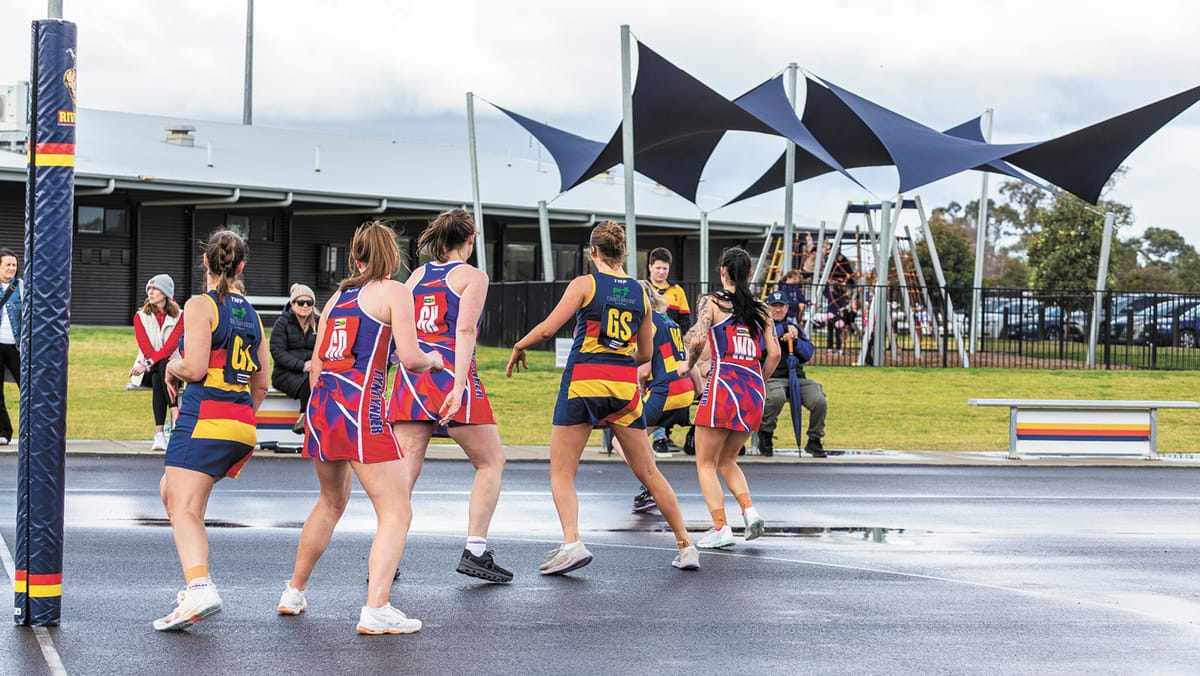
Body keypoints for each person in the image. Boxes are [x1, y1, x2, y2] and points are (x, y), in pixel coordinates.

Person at [277, 220, 442, 636]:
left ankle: (293, 591)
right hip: (359, 407)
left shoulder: (336, 298)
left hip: (324, 405)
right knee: (397, 511)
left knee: (330, 502)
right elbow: (409, 357)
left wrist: (320, 406)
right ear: (393, 256)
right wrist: (434, 360)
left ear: (356, 256)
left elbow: (316, 363)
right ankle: (376, 607)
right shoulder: (394, 293)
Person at [506, 221, 699, 573]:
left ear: (592, 252)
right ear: (622, 252)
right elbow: (644, 352)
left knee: (562, 471)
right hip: (624, 387)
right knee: (650, 473)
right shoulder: (641, 292)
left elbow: (550, 328)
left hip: (585, 383)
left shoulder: (585, 284)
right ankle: (686, 545)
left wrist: (520, 344)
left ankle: (572, 542)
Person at [154, 231, 270, 631]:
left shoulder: (200, 305)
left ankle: (199, 585)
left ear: (205, 263)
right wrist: (242, 415)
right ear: (240, 268)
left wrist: (171, 364)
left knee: (183, 508)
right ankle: (193, 586)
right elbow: (262, 382)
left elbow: (196, 367)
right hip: (240, 424)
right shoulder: (252, 314)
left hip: (204, 417)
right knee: (173, 491)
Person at [390, 208, 512, 583]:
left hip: (412, 376)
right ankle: (475, 550)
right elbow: (464, 330)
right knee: (491, 462)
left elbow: (399, 328)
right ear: (470, 240)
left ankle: (386, 556)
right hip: (447, 372)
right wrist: (459, 386)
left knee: (404, 472)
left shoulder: (416, 277)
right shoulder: (473, 276)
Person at [679, 247, 780, 549]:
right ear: (750, 273)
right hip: (754, 389)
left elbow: (697, 337)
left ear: (722, 270)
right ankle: (750, 512)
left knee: (705, 462)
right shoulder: (761, 309)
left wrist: (688, 363)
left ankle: (720, 526)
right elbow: (774, 353)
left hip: (724, 384)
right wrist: (759, 381)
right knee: (728, 459)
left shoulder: (711, 301)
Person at [631, 280, 694, 514]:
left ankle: (650, 486)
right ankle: (649, 483)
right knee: (640, 435)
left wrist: (638, 386)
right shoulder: (672, 323)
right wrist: (697, 391)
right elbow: (689, 362)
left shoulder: (648, 323)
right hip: (684, 390)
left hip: (666, 391)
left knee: (623, 437)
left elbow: (645, 370)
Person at [761, 291, 830, 458]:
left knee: (819, 400)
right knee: (776, 397)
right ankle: (765, 435)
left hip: (796, 378)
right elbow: (760, 347)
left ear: (786, 308)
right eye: (774, 306)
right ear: (768, 308)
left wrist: (795, 341)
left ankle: (814, 440)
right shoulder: (761, 326)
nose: (777, 309)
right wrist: (781, 331)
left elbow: (808, 353)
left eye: (781, 306)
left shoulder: (795, 328)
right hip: (772, 377)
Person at [130, 274, 185, 451]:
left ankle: (159, 434)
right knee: (160, 367)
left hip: (170, 372)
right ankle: (175, 410)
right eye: (149, 289)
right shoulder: (140, 316)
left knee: (159, 373)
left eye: (155, 289)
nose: (150, 292)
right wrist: (147, 363)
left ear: (166, 293)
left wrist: (149, 363)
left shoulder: (181, 316)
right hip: (145, 370)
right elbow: (146, 349)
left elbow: (171, 347)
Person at [645, 246, 690, 454]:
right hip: (655, 348)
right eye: (658, 268)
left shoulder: (677, 292)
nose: (661, 272)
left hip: (670, 348)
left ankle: (661, 436)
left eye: (665, 268)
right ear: (650, 268)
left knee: (662, 385)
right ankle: (660, 436)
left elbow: (685, 320)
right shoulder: (644, 289)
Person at [269, 283, 318, 435]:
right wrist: (301, 365)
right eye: (300, 302)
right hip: (284, 373)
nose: (304, 305)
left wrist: (315, 364)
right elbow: (277, 351)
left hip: (310, 370)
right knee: (307, 382)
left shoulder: (319, 322)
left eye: (309, 302)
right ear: (292, 303)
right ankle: (304, 418)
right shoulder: (282, 323)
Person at [0, 248, 21, 446]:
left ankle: (33, 432)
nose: (11, 268)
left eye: (14, 265)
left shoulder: (22, 287)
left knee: (29, 388)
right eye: (7, 264)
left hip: (17, 347)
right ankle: (4, 432)